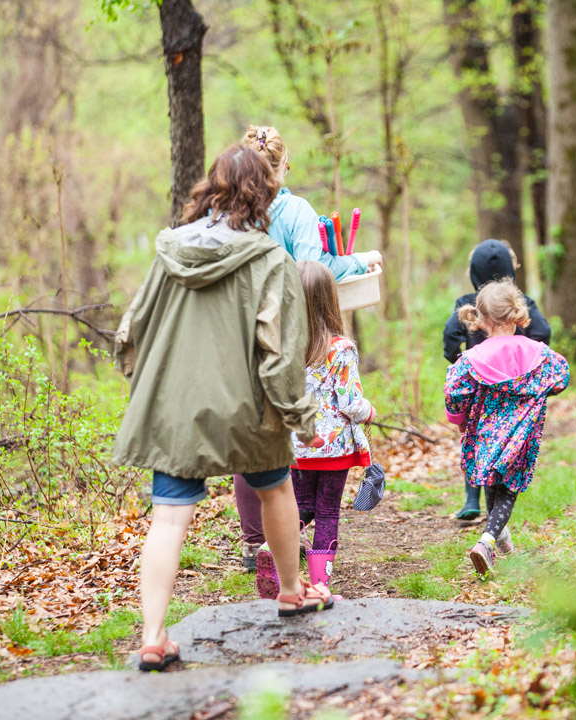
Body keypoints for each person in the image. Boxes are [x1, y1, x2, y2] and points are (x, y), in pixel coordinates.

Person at [112, 144, 334, 673]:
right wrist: (300, 415)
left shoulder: (170, 250)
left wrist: (140, 376)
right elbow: (279, 355)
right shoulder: (271, 261)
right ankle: (291, 590)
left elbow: (134, 324)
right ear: (266, 193)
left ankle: (152, 637)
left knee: (168, 518)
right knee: (276, 485)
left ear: (210, 188)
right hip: (247, 408)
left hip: (175, 407)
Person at [233, 124, 382, 572]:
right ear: (285, 165)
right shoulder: (297, 211)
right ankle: (290, 533)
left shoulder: (231, 213)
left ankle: (257, 540)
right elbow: (320, 268)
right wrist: (362, 259)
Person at [254, 260, 377, 600]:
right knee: (326, 512)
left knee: (301, 505)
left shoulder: (284, 347)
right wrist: (369, 411)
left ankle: (269, 546)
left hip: (297, 444)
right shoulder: (340, 350)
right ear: (330, 301)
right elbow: (350, 402)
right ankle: (321, 583)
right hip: (334, 448)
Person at [444, 279, 569, 577]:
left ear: (483, 321)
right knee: (508, 489)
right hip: (521, 434)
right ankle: (488, 540)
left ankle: (499, 541)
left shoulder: (473, 358)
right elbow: (561, 376)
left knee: (491, 481)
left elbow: (454, 393)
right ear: (517, 314)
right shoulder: (538, 353)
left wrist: (458, 418)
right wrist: (536, 392)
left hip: (485, 432)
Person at [442, 239, 552, 520]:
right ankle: (499, 504)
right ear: (511, 271)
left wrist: (458, 360)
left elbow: (449, 335)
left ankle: (471, 499)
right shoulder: (520, 304)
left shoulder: (467, 304)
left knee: (474, 437)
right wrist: (527, 366)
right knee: (506, 440)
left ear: (473, 272)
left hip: (477, 385)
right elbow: (543, 330)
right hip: (512, 389)